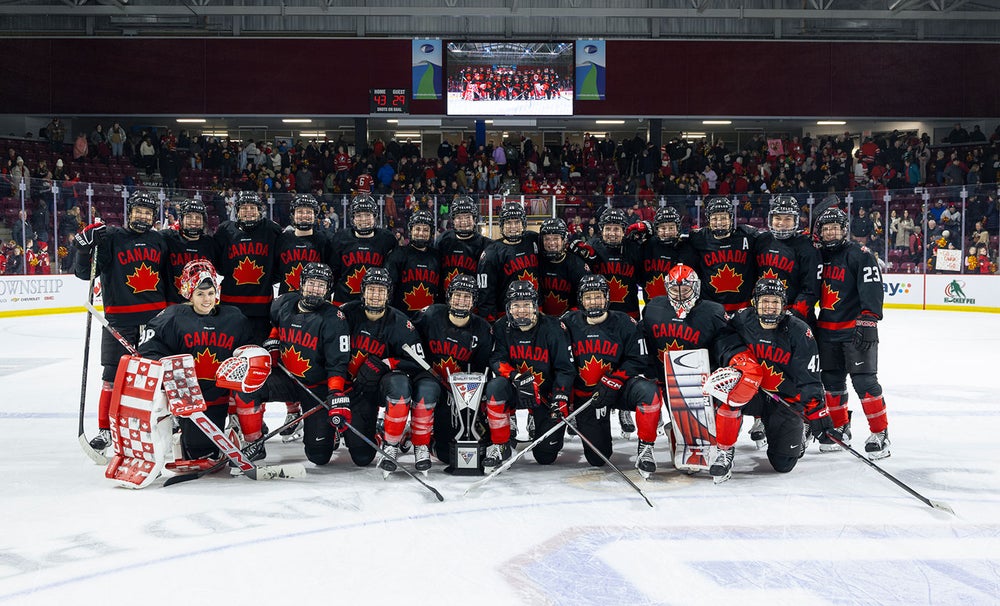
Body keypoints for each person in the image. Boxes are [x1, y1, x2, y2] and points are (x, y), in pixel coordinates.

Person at [704, 278, 831, 483]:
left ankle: (794, 433)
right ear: (755, 302)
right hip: (752, 392)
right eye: (765, 301)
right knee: (729, 398)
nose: (770, 307)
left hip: (784, 399)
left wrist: (817, 414)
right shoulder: (742, 319)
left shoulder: (799, 331)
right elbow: (722, 339)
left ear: (783, 304)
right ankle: (724, 451)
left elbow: (810, 377)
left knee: (783, 464)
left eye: (775, 302)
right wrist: (737, 357)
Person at [72, 190, 169, 452]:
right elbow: (84, 273)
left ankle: (160, 424)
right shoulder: (111, 238)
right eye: (138, 210)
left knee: (159, 376)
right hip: (119, 322)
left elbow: (168, 282)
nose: (142, 216)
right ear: (129, 212)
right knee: (112, 376)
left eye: (147, 212)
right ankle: (106, 430)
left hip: (155, 322)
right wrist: (82, 248)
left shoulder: (159, 241)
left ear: (153, 216)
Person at [137, 260, 260, 464]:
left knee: (209, 452)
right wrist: (169, 369)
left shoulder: (234, 318)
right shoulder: (172, 317)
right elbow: (148, 348)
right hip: (189, 398)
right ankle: (177, 427)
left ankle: (238, 425)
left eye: (210, 293)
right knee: (198, 452)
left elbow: (249, 349)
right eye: (200, 294)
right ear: (189, 294)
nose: (206, 299)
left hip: (220, 395)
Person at [562, 275, 663, 478]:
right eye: (588, 297)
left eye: (598, 296)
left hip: (618, 387)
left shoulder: (625, 322)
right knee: (598, 458)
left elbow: (638, 359)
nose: (594, 302)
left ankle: (646, 448)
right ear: (581, 299)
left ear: (607, 298)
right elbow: (561, 362)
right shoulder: (567, 323)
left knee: (649, 392)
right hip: (589, 396)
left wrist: (615, 379)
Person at [813, 206, 890, 459]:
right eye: (826, 229)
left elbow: (872, 288)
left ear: (844, 230)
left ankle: (880, 433)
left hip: (855, 330)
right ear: (820, 233)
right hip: (826, 330)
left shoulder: (860, 255)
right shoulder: (817, 256)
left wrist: (869, 320)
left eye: (836, 228)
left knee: (864, 381)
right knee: (831, 382)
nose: (831, 233)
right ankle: (840, 427)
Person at [262, 262, 352, 465]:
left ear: (328, 290)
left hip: (316, 388)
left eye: (321, 285)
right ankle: (252, 438)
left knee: (318, 456)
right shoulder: (283, 302)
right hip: (287, 379)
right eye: (312, 283)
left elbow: (337, 362)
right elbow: (275, 324)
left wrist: (335, 393)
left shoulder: (335, 319)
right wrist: (274, 340)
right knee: (249, 385)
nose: (315, 289)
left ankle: (331, 433)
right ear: (302, 283)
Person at [481, 281, 575, 473]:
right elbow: (496, 360)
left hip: (544, 394)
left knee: (546, 456)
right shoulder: (501, 327)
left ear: (535, 306)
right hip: (514, 390)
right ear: (508, 307)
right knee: (495, 387)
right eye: (516, 305)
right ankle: (500, 444)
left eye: (526, 305)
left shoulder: (553, 327)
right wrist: (515, 376)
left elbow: (565, 368)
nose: (521, 310)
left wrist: (561, 396)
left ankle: (538, 423)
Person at [338, 268, 426, 472]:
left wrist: (387, 363)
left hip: (376, 391)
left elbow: (418, 362)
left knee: (363, 457)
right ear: (362, 291)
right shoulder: (345, 314)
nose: (376, 295)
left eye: (381, 290)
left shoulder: (401, 323)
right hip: (346, 388)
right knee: (323, 454)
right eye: (371, 289)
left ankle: (389, 437)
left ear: (388, 294)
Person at [411, 274, 494, 465]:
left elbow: (481, 371)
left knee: (446, 455)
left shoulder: (482, 329)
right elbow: (408, 340)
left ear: (474, 300)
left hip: (457, 391)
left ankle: (431, 439)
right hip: (430, 379)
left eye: (467, 296)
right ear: (449, 296)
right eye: (458, 295)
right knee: (426, 391)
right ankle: (419, 442)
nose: (461, 301)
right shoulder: (430, 315)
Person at [213, 191, 282, 343]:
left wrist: (271, 276)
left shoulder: (271, 230)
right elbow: (217, 261)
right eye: (244, 208)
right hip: (230, 306)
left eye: (253, 208)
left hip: (261, 308)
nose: (248, 212)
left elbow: (282, 260)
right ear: (237, 211)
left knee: (257, 351)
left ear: (259, 211)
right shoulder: (226, 230)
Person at [689, 196, 758, 313]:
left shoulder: (748, 235)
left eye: (723, 218)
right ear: (708, 220)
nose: (719, 222)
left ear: (731, 219)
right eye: (714, 218)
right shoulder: (699, 238)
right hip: (711, 309)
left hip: (742, 308)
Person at [328, 194, 398, 305]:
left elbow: (392, 274)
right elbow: (333, 271)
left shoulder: (387, 239)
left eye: (367, 215)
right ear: (353, 218)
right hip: (344, 299)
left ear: (374, 216)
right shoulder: (340, 238)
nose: (363, 219)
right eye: (359, 215)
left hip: (375, 300)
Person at [477, 201, 539, 322]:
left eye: (517, 222)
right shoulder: (491, 253)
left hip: (535, 312)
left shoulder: (533, 240)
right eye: (508, 223)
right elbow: (485, 292)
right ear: (501, 226)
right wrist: (490, 319)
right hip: (506, 315)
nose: (513, 227)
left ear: (523, 224)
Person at [161, 199, 221, 304]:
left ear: (204, 221)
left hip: (203, 307)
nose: (193, 221)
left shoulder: (212, 244)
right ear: (181, 219)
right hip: (174, 307)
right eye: (189, 217)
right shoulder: (168, 238)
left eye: (198, 218)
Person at [385, 209, 442, 315]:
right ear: (410, 230)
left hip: (430, 318)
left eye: (426, 230)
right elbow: (389, 289)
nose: (421, 233)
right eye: (417, 229)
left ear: (431, 233)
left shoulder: (437, 256)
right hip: (402, 317)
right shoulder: (397, 255)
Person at [275, 193, 331, 296]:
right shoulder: (282, 239)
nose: (304, 215)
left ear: (315, 215)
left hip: (316, 300)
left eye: (308, 212)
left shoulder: (324, 240)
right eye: (300, 211)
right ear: (293, 214)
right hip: (287, 299)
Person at [637, 205, 697, 300]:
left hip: (680, 305)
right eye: (663, 228)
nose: (667, 232)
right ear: (656, 229)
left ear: (678, 228)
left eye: (671, 228)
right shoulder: (647, 245)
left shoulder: (687, 247)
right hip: (651, 307)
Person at [435, 196, 491, 292]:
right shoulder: (443, 240)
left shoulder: (486, 245)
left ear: (474, 219)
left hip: (473, 302)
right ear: (453, 220)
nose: (464, 221)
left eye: (467, 217)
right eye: (459, 217)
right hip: (445, 300)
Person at [537, 217, 590, 316]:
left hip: (571, 321)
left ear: (564, 240)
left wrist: (571, 316)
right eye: (547, 239)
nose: (551, 243)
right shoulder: (537, 261)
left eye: (556, 238)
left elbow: (587, 297)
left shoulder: (577, 264)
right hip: (542, 320)